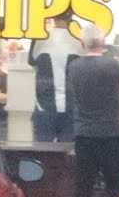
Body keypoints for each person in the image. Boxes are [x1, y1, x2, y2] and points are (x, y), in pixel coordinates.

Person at [67, 24, 119, 197]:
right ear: (103, 43)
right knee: (116, 183)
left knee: (84, 184)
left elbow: (73, 94)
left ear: (83, 43)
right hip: (112, 133)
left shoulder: (74, 67)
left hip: (84, 134)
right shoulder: (113, 66)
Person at [29, 9, 82, 141]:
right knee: (69, 152)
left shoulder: (41, 36)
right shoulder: (79, 38)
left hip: (44, 104)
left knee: (42, 151)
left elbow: (32, 61)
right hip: (72, 103)